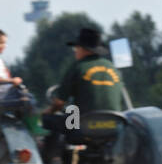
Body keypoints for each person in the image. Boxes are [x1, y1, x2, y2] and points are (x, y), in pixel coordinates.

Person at [41, 26, 126, 157]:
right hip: (114, 126)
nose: (75, 52)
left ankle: (54, 162)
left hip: (82, 126)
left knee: (48, 121)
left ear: (83, 49)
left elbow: (59, 103)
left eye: (76, 48)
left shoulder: (78, 67)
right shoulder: (112, 68)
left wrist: (48, 112)